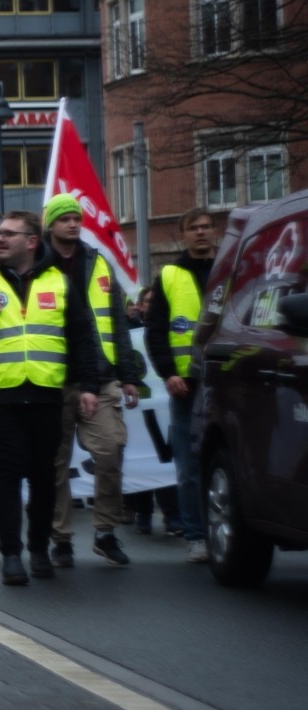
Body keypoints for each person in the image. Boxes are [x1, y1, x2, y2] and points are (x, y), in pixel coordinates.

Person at [0, 211, 102, 585]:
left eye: (9, 234)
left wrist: (90, 387)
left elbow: (82, 338)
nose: (0, 239)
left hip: (48, 395)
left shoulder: (60, 283)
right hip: (2, 395)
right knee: (9, 470)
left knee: (45, 476)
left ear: (32, 241)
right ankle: (11, 555)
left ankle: (38, 548)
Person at [42, 194, 139, 568]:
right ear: (50, 225)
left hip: (100, 377)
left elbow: (116, 320)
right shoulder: (37, 267)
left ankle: (104, 532)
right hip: (54, 378)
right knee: (55, 464)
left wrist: (128, 375)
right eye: (64, 218)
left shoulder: (98, 263)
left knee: (111, 450)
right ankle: (60, 537)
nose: (73, 223)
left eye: (76, 218)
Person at [144, 206, 216, 564]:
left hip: (227, 382)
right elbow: (156, 332)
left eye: (206, 226)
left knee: (226, 463)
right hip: (185, 385)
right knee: (188, 467)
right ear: (183, 234)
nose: (201, 232)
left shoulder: (229, 271)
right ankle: (196, 535)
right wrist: (168, 372)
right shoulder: (170, 275)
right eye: (194, 228)